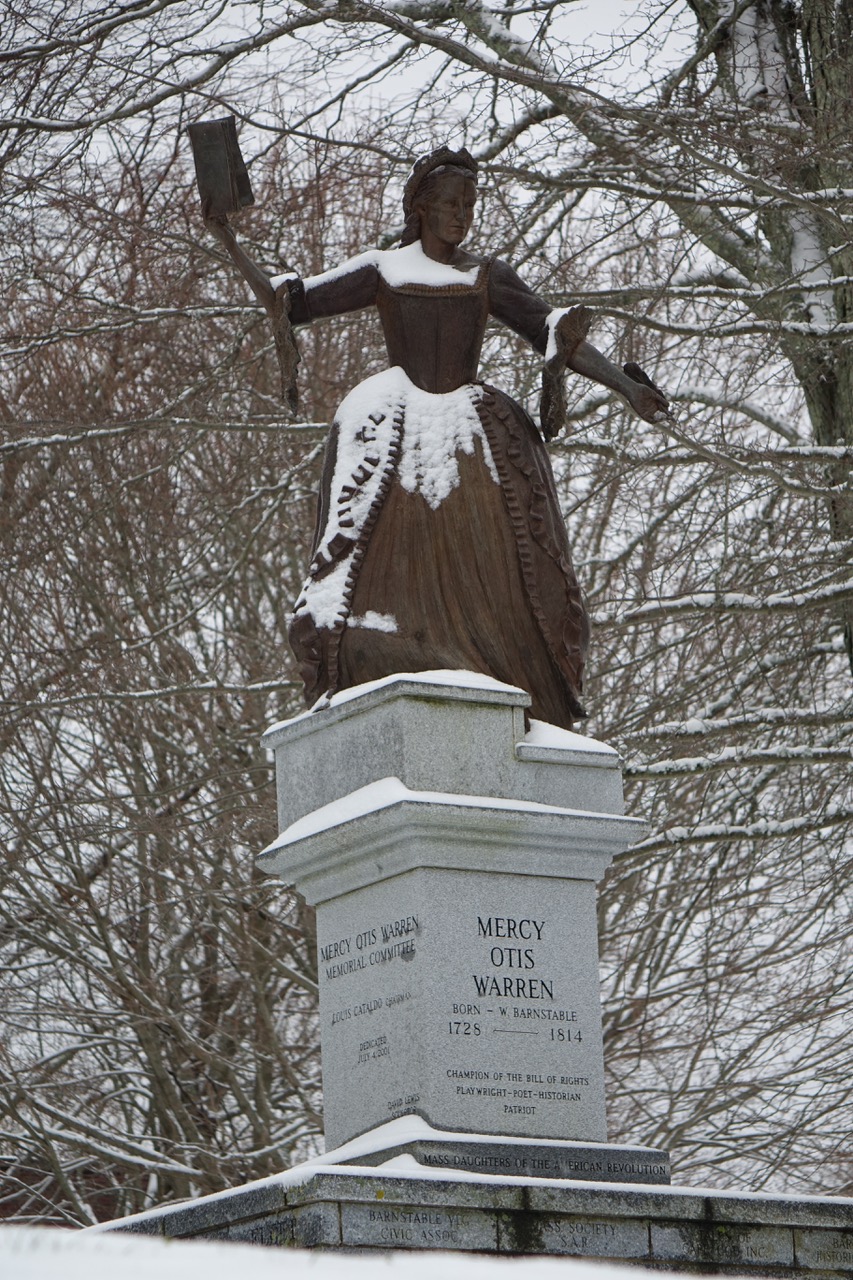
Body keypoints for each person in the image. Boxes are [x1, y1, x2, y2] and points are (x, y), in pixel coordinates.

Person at [205, 146, 667, 729]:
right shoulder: (384, 269)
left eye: (470, 204)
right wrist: (226, 237)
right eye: (451, 203)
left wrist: (627, 388)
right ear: (421, 208)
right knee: (377, 559)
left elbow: (555, 333)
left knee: (503, 563)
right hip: (397, 425)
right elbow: (291, 301)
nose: (462, 215)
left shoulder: (486, 276)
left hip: (472, 433)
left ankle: (506, 676)